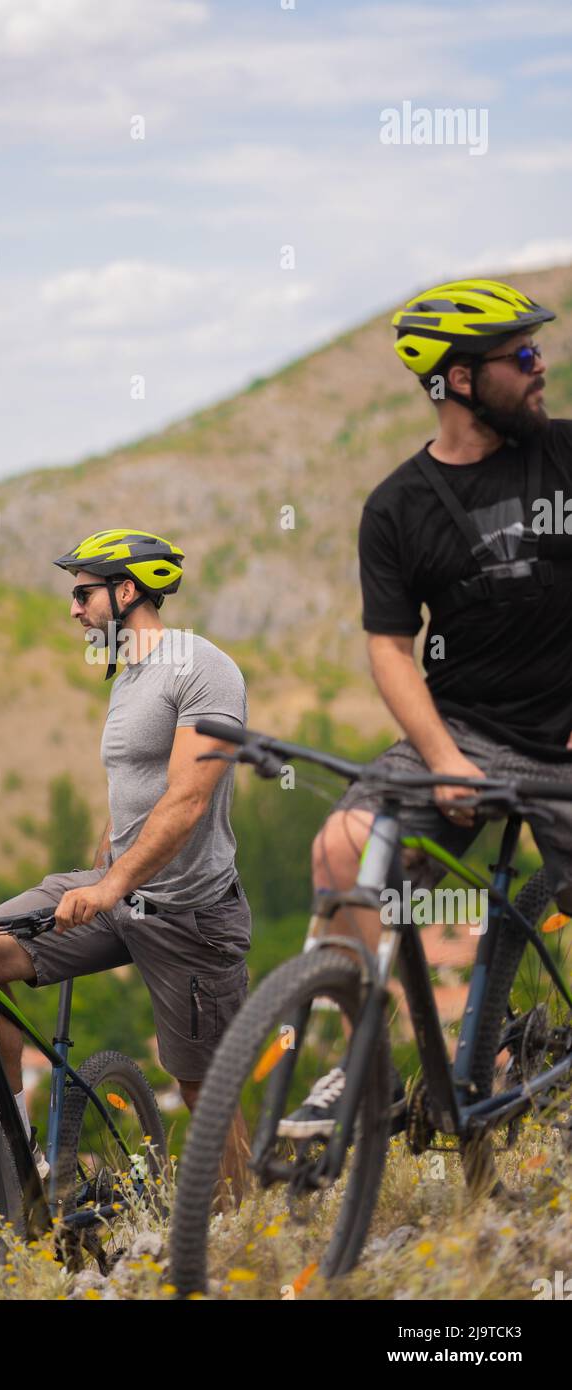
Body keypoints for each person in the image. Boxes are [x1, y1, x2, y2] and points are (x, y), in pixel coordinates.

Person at [281, 278, 572, 1138]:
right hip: (464, 733)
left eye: (537, 348)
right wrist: (443, 757)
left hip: (564, 735)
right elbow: (389, 648)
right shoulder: (398, 507)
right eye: (521, 356)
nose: (540, 365)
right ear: (457, 381)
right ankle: (361, 1067)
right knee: (339, 850)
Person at [0, 529, 252, 1197]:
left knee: (208, 1101)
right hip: (118, 892)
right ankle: (10, 1143)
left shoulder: (204, 668)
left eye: (83, 594)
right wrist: (109, 845)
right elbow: (141, 782)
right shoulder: (129, 676)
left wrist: (113, 880)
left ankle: (249, 1238)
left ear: (128, 590)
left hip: (189, 916)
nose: (73, 609)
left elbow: (189, 798)